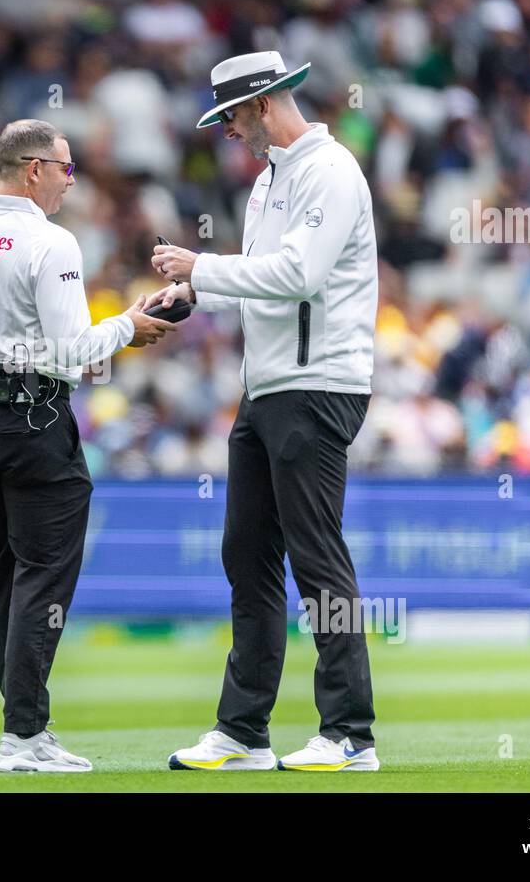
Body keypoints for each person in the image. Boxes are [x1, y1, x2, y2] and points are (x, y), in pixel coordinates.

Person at [0, 118, 176, 772]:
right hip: (33, 420)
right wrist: (127, 327)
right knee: (44, 575)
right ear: (34, 170)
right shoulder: (51, 243)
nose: (69, 179)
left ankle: (23, 729)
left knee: (6, 574)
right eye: (65, 167)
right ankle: (23, 738)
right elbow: (70, 352)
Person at [149, 52, 381, 772]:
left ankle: (350, 733)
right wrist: (194, 297)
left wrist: (201, 268)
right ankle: (245, 731)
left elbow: (300, 276)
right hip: (270, 387)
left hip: (317, 385)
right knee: (247, 556)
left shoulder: (331, 171)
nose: (228, 132)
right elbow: (263, 281)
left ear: (266, 103)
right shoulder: (273, 180)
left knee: (317, 558)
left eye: (231, 117)